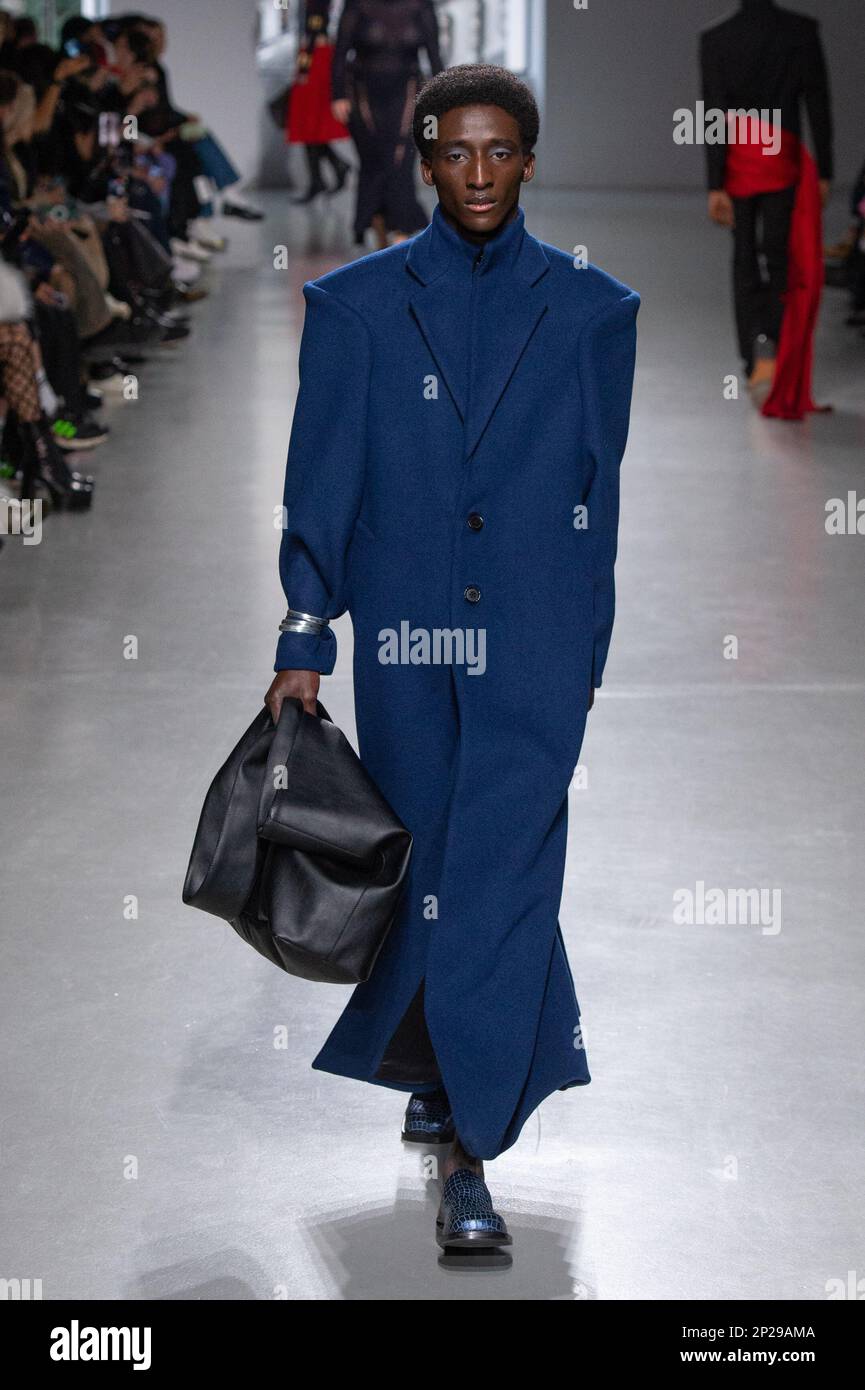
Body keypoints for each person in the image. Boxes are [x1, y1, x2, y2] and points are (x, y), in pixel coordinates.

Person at [264, 63, 640, 1257]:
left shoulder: (595, 312)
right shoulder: (359, 306)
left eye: (500, 152)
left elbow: (599, 491)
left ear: (529, 159)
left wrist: (585, 643)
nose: (477, 173)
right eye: (454, 153)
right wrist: (303, 636)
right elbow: (322, 481)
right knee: (433, 859)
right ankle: (439, 1062)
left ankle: (470, 1152)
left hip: (533, 637)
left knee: (507, 874)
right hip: (413, 637)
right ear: (422, 161)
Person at [700, 0, 833, 417]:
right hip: (782, 159)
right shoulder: (802, 30)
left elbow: (713, 114)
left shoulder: (716, 39)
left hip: (741, 158)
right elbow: (818, 101)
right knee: (779, 256)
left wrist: (715, 183)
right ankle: (775, 347)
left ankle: (755, 352)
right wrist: (825, 169)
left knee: (743, 256)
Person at [330, 0, 443, 248]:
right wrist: (337, 95)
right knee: (375, 161)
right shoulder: (357, 5)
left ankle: (400, 232)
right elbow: (340, 51)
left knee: (401, 158)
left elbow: (434, 54)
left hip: (408, 90)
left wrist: (442, 98)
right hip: (362, 92)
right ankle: (379, 225)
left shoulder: (421, 6)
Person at [287, 0, 352, 205]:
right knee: (310, 126)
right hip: (317, 58)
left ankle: (322, 177)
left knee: (309, 124)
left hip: (316, 61)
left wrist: (304, 67)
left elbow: (314, 31)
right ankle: (331, 170)